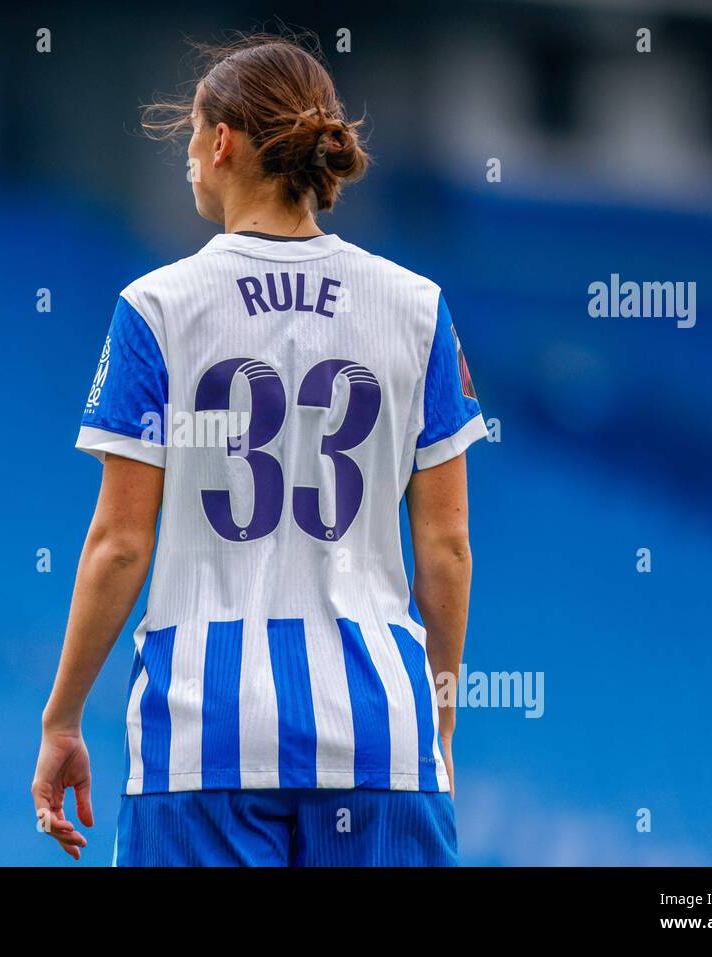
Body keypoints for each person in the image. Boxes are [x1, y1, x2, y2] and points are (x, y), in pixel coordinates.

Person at [32, 33, 485, 866]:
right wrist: (438, 719)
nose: (190, 161)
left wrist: (63, 717)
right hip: (381, 732)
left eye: (191, 138)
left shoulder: (157, 307)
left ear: (222, 142)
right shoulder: (417, 307)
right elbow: (447, 549)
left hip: (202, 735)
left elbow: (120, 543)